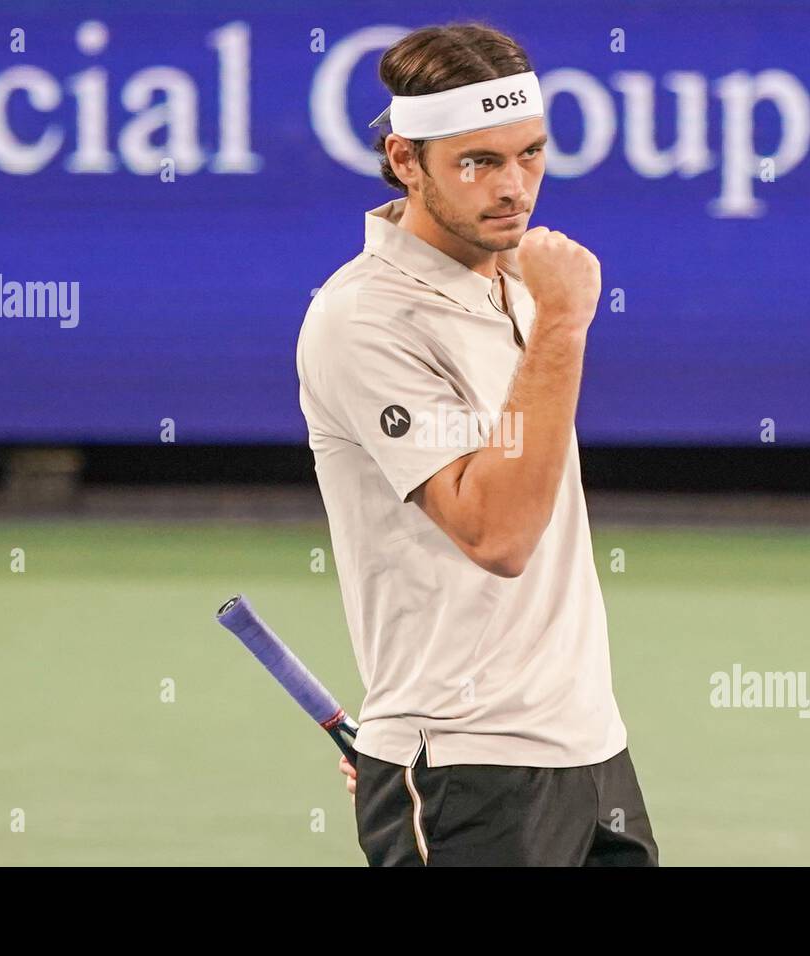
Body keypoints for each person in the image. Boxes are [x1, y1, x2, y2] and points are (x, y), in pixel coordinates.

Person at [297, 22, 657, 866]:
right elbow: (497, 534)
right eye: (478, 162)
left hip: (587, 749)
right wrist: (565, 326)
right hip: (468, 762)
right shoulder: (364, 318)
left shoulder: (517, 286)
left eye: (530, 154)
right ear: (405, 160)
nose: (514, 187)